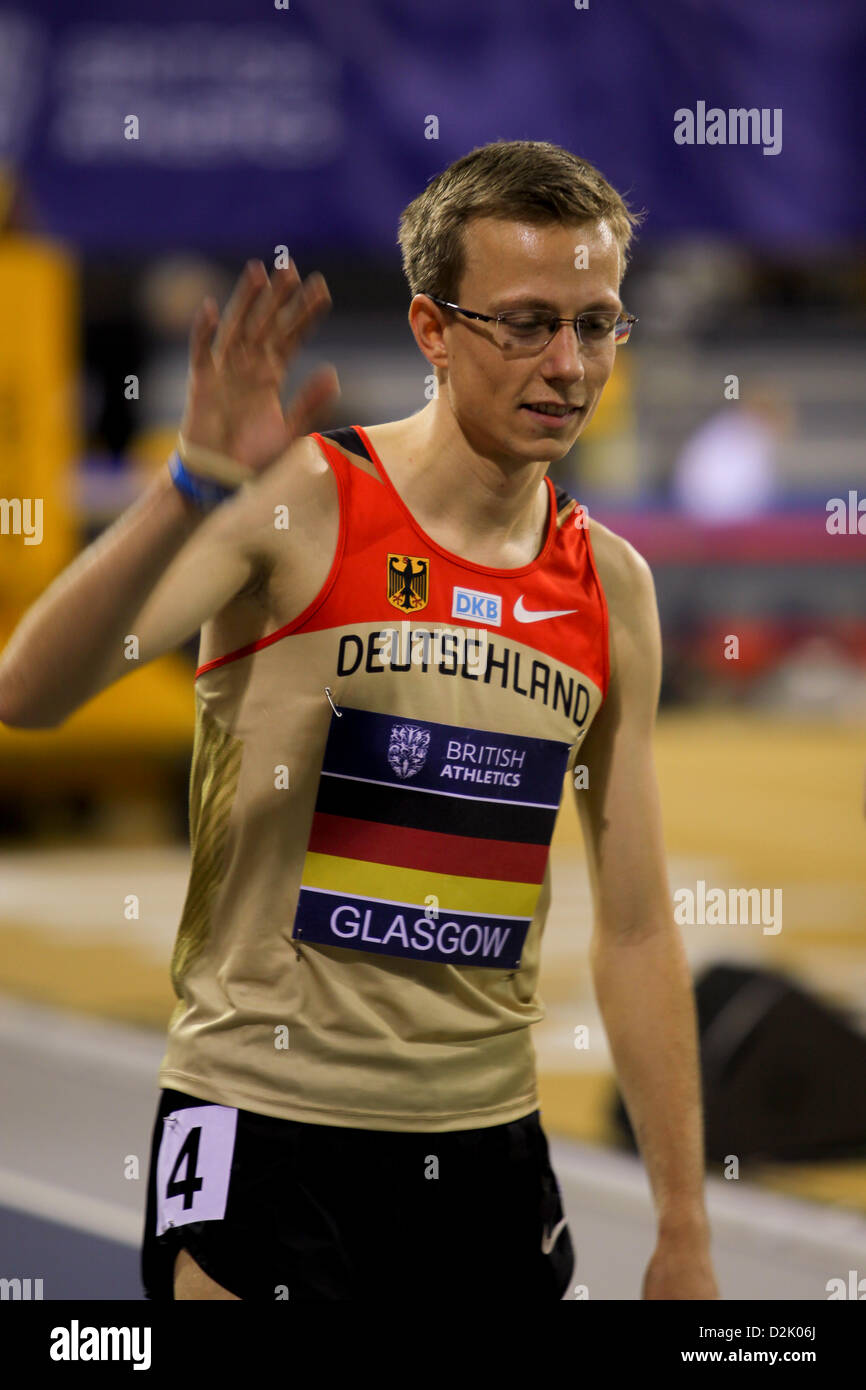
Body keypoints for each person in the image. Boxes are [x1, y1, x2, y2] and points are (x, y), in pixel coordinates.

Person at [0, 139, 719, 1301]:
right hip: (262, 1129)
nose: (568, 364)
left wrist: (683, 1225)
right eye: (526, 322)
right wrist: (190, 487)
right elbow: (27, 692)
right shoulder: (303, 505)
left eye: (597, 324)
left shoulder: (610, 587)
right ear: (432, 332)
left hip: (487, 1148)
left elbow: (635, 928)